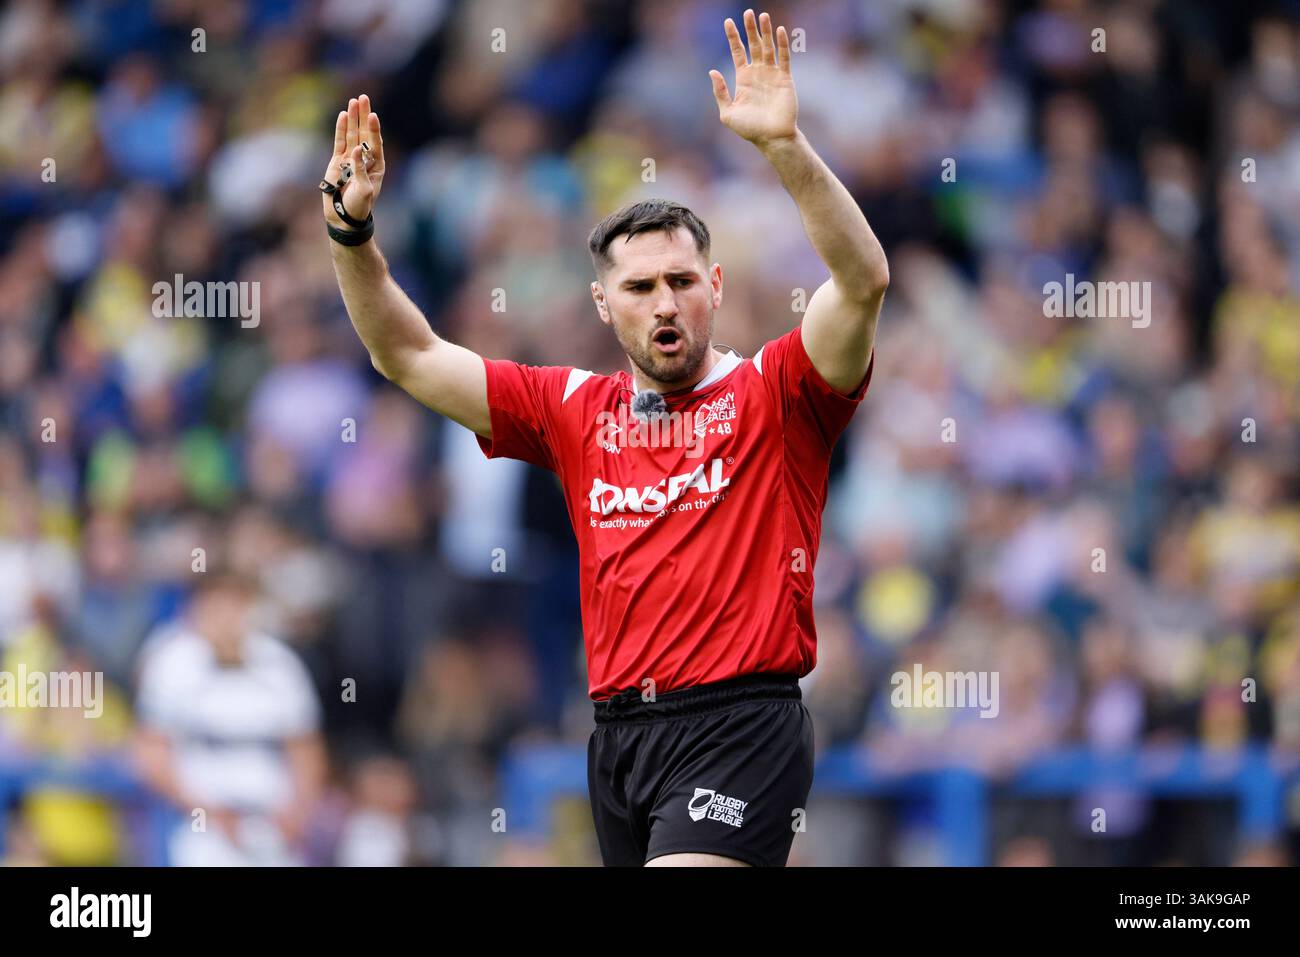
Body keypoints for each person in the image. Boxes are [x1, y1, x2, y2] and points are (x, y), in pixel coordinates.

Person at [322, 9, 888, 866]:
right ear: (602, 304)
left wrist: (784, 149)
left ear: (716, 285)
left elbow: (864, 279)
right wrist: (351, 235)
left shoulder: (777, 391)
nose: (664, 302)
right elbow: (405, 351)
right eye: (640, 287)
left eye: (681, 281)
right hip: (619, 737)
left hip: (741, 724)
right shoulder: (574, 410)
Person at [132, 572, 326, 866]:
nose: (227, 618)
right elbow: (151, 754)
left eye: (236, 606)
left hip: (273, 823)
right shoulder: (173, 661)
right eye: (217, 606)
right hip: (201, 826)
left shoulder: (281, 664)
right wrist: (208, 813)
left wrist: (296, 816)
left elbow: (305, 748)